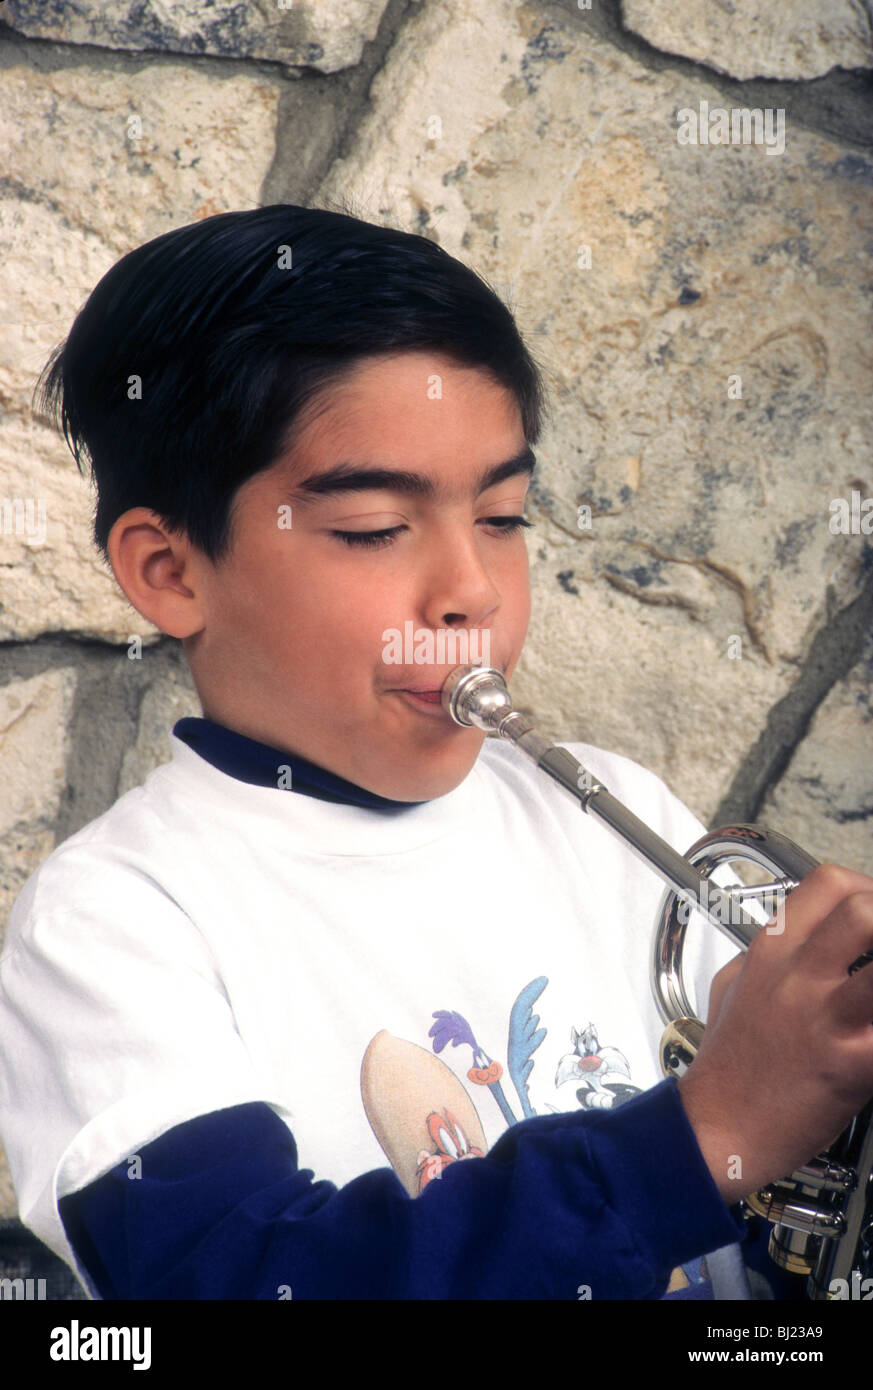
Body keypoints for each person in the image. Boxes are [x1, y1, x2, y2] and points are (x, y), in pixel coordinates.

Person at [0, 203, 871, 1302]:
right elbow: (242, 1278)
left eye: (502, 516)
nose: (470, 590)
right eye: (372, 527)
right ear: (172, 573)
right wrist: (706, 1136)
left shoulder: (611, 808)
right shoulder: (110, 924)